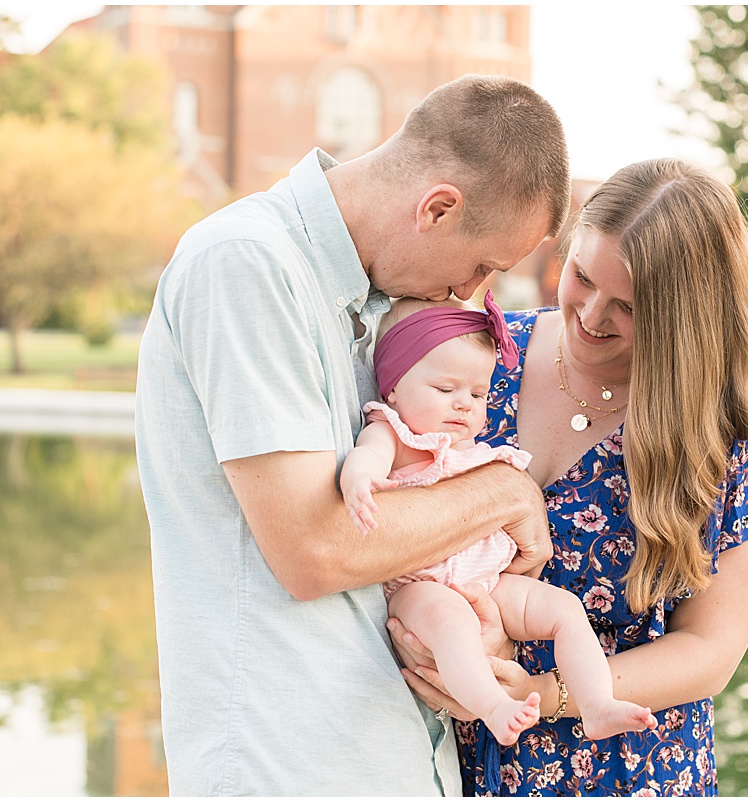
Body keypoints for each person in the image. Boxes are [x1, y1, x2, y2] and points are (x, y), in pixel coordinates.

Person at [134, 75, 571, 795]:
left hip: (386, 762)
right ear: (437, 208)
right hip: (286, 768)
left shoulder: (376, 307)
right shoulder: (247, 265)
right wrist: (504, 489)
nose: (472, 295)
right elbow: (315, 547)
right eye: (484, 267)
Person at [390, 158, 748, 796]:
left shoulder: (729, 428)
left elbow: (710, 654)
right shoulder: (478, 359)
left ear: (683, 322)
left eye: (629, 308)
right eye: (581, 276)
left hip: (624, 772)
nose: (590, 314)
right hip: (447, 766)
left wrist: (544, 693)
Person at [340, 291, 659, 748]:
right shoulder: (394, 431)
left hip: (486, 579)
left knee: (564, 610)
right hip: (420, 584)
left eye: (477, 393)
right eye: (446, 390)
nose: (464, 405)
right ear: (392, 385)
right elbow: (368, 457)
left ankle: (596, 703)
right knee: (453, 625)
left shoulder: (473, 445)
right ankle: (493, 706)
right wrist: (359, 481)